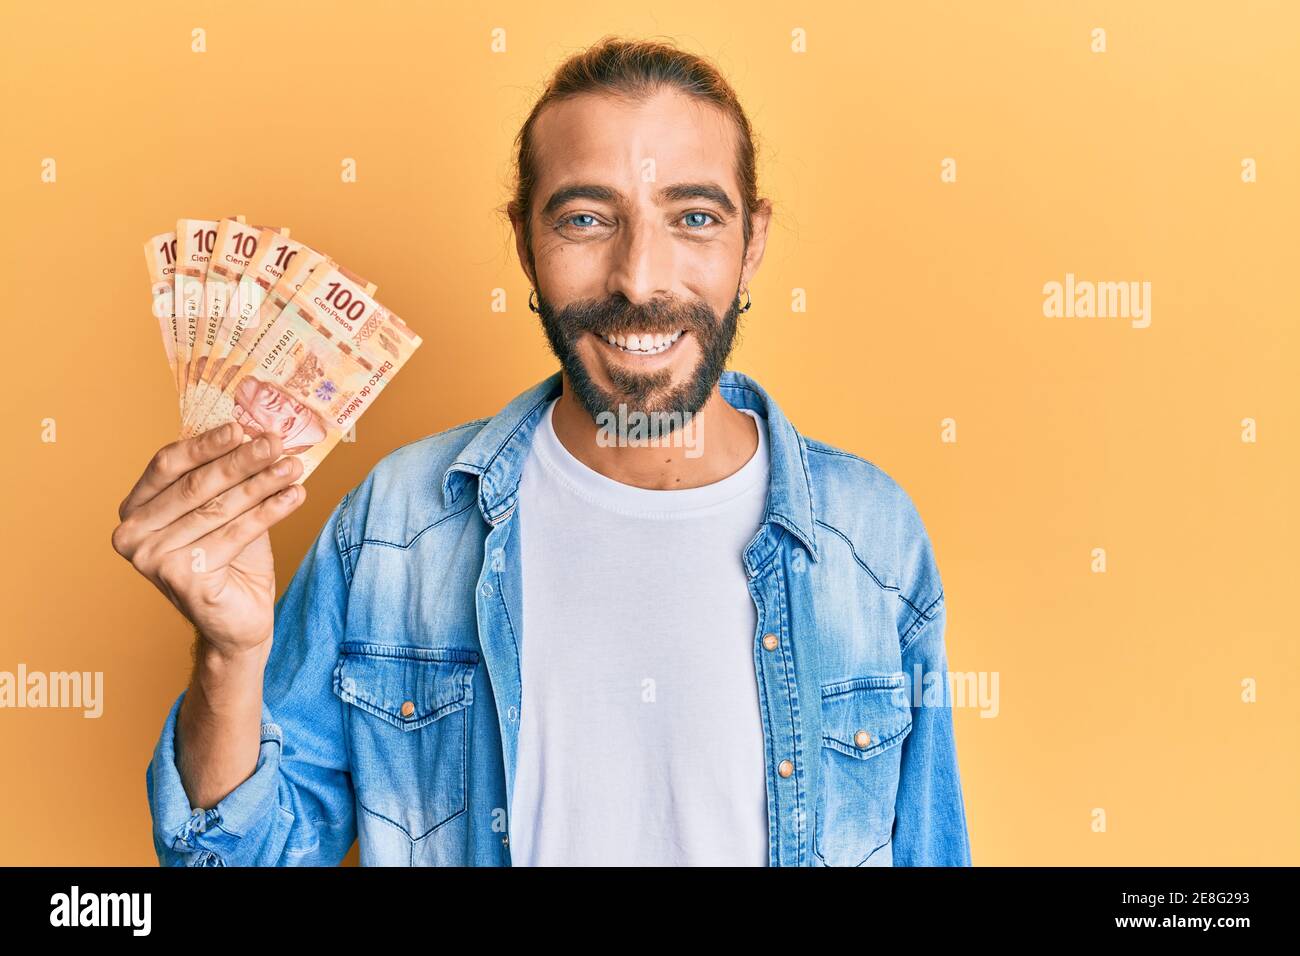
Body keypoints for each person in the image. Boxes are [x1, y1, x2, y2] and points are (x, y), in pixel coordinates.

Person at [112, 36, 972, 867]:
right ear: (525, 244)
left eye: (695, 217)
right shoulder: (397, 525)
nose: (640, 278)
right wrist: (229, 655)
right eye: (588, 218)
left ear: (752, 245)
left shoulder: (872, 538)